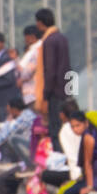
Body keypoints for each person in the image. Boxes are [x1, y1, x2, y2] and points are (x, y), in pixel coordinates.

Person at [35, 9, 71, 152]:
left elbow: (49, 71)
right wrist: (71, 91)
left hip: (54, 92)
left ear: (40, 22)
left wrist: (45, 94)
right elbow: (69, 67)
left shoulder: (49, 41)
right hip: (65, 90)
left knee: (55, 129)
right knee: (65, 127)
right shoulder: (62, 38)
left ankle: (59, 162)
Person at [16, 25, 43, 107]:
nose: (25, 40)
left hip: (33, 92)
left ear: (31, 37)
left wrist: (21, 78)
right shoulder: (39, 48)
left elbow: (29, 70)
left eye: (26, 38)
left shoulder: (36, 50)